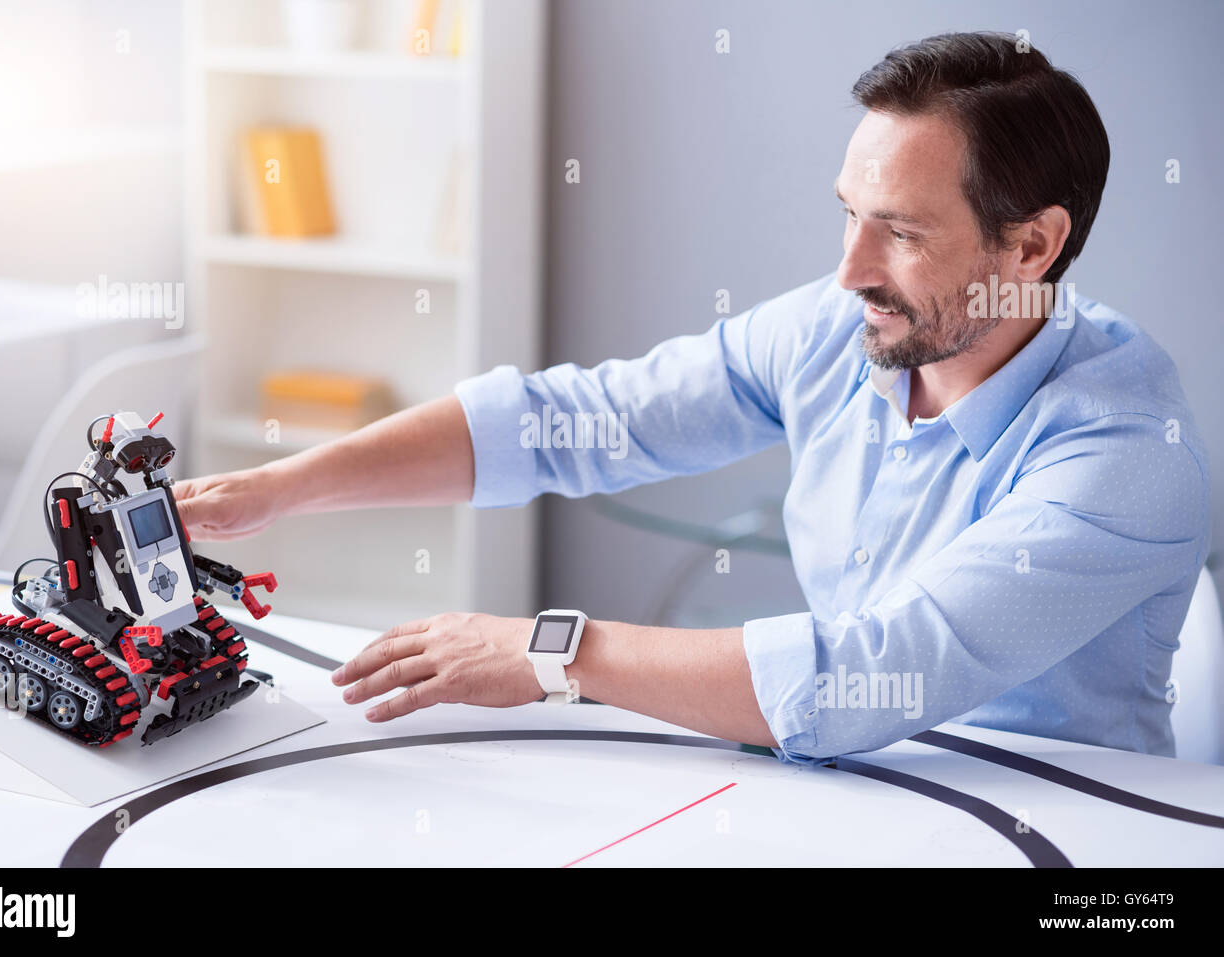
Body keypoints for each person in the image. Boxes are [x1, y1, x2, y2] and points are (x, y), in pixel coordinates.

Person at [174, 32, 1209, 764]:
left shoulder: (1124, 455)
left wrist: (552, 653)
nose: (846, 268)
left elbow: (867, 673)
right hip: (857, 788)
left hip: (1063, 825)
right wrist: (273, 492)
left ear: (1030, 245)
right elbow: (574, 423)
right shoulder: (849, 321)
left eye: (899, 230)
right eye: (848, 214)